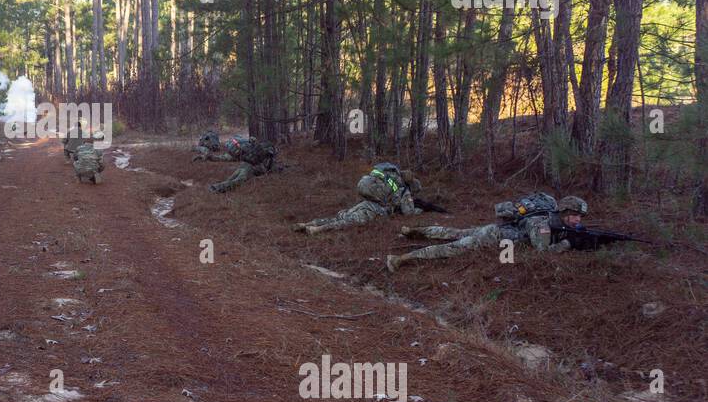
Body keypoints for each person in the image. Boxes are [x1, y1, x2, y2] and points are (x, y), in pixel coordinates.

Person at [386, 193, 585, 272]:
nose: (577, 220)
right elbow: (542, 251)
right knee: (451, 247)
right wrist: (567, 244)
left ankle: (411, 231)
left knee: (453, 232)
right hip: (491, 237)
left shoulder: (554, 220)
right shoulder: (540, 222)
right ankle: (400, 258)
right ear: (565, 212)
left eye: (579, 217)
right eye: (575, 215)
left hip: (495, 231)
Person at [292, 163, 424, 234]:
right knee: (349, 222)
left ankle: (308, 224)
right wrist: (419, 211)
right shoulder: (404, 191)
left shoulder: (390, 179)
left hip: (366, 203)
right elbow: (408, 212)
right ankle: (317, 230)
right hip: (376, 210)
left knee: (340, 217)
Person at [208, 137, 277, 193]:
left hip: (244, 164)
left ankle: (217, 186)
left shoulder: (254, 148)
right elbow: (269, 168)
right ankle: (217, 189)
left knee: (230, 179)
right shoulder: (267, 157)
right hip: (250, 168)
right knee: (238, 181)